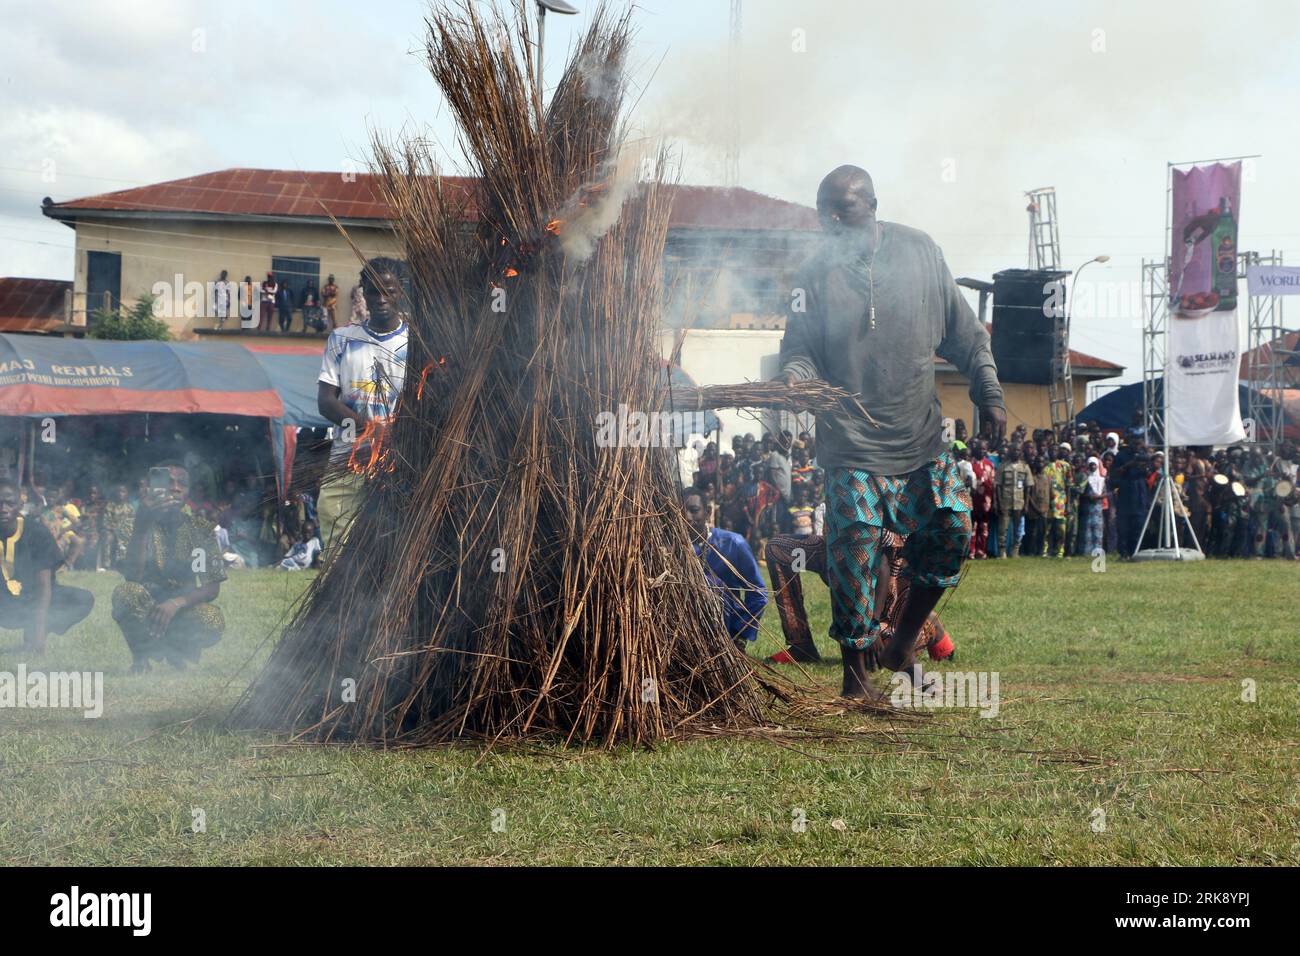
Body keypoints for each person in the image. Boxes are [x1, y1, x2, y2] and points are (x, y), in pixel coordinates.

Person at [778, 165, 1005, 698]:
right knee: (855, 547)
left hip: (919, 437)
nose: (833, 220)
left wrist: (989, 390)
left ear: (874, 205)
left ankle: (902, 643)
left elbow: (966, 332)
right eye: (825, 212)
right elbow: (800, 349)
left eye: (844, 209)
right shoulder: (812, 275)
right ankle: (855, 676)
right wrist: (795, 378)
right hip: (850, 441)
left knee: (952, 529)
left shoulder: (921, 252)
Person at [316, 257, 410, 556]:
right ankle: (337, 584)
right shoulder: (342, 339)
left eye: (389, 291)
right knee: (335, 528)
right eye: (373, 291)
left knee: (392, 540)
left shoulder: (416, 342)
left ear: (400, 292)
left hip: (399, 461)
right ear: (363, 294)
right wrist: (370, 429)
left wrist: (393, 435)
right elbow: (326, 401)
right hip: (348, 456)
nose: (381, 299)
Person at [765, 529, 955, 667]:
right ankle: (801, 645)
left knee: (881, 654)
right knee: (779, 550)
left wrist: (871, 627)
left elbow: (883, 562)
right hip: (838, 551)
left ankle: (926, 624)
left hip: (883, 575)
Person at [111, 463, 227, 672]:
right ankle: (141, 658)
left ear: (188, 490)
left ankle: (178, 652)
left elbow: (211, 588)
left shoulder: (200, 529)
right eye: (168, 482)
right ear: (152, 487)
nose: (175, 488)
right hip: (146, 606)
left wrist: (175, 603)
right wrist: (142, 526)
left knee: (212, 619)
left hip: (182, 607)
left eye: (182, 483)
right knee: (125, 593)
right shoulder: (131, 525)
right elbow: (132, 576)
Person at [0, 478, 94, 654]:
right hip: (3, 602)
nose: (3, 509)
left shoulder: (37, 533)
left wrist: (39, 632)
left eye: (9, 503)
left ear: (20, 505)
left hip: (32, 598)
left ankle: (32, 635)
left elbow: (44, 586)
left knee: (82, 599)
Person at [683, 488, 767, 652]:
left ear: (708, 512)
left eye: (694, 510)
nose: (687, 517)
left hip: (724, 627)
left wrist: (740, 635)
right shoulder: (669, 548)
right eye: (681, 511)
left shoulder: (733, 544)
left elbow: (758, 592)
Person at [994, 446, 1031, 559]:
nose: (1016, 452)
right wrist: (998, 502)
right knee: (1003, 528)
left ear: (1021, 452)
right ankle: (1002, 551)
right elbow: (997, 486)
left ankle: (1015, 551)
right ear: (1010, 451)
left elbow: (1028, 487)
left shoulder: (1024, 467)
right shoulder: (1003, 466)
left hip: (1019, 502)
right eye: (1014, 450)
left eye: (1018, 450)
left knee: (1017, 528)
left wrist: (1026, 504)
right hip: (1005, 501)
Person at [969, 440, 996, 559]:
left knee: (984, 527)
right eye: (979, 449)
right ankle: (971, 552)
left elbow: (993, 484)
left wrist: (994, 501)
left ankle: (981, 552)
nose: (981, 451)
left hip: (986, 502)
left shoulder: (990, 465)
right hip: (972, 501)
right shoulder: (970, 464)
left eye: (984, 449)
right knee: (972, 527)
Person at [1080, 456, 1106, 555]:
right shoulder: (1085, 479)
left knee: (1097, 530)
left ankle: (1097, 551)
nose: (1093, 467)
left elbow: (1105, 493)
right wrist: (1089, 496)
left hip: (1098, 508)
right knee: (1087, 530)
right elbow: (1081, 493)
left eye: (1094, 465)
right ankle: (1087, 552)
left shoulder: (1102, 480)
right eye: (1091, 465)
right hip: (1087, 507)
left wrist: (1098, 497)